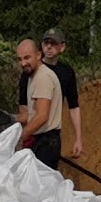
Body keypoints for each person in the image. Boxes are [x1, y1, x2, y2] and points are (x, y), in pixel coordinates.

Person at [18, 28, 83, 158]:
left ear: (62, 47)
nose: (48, 47)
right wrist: (25, 132)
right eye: (46, 43)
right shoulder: (29, 71)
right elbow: (25, 106)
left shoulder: (65, 72)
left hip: (48, 136)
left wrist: (78, 138)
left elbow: (73, 106)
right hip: (35, 135)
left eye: (53, 43)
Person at [14, 39, 64, 170]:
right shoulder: (34, 76)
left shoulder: (43, 78)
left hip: (46, 143)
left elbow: (42, 116)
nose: (23, 63)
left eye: (27, 57)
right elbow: (34, 113)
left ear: (38, 55)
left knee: (42, 187)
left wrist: (20, 137)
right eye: (19, 59)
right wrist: (13, 119)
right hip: (42, 141)